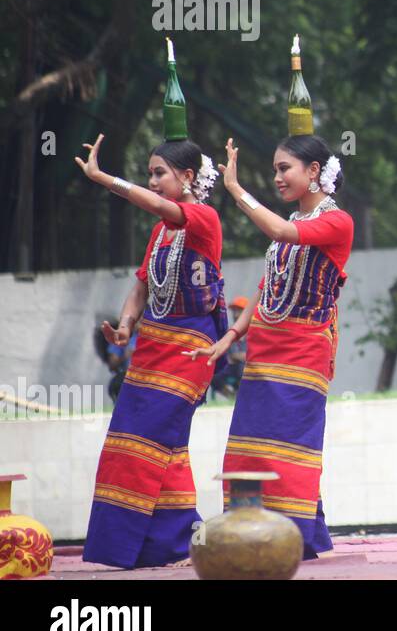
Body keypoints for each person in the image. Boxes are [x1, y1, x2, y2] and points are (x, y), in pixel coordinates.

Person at [189, 37, 354, 560]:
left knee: (290, 445)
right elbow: (268, 288)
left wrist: (235, 191)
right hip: (264, 351)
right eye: (276, 169)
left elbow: (284, 235)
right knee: (252, 445)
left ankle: (294, 537)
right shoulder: (296, 221)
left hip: (304, 352)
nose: (278, 176)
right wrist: (231, 337)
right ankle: (288, 532)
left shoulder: (335, 221)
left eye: (286, 169)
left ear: (314, 173)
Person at [77, 41, 227, 568]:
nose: (152, 180)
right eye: (148, 172)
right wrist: (124, 325)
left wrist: (105, 179)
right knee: (151, 445)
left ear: (187, 179)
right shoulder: (161, 235)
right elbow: (141, 286)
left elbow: (160, 206)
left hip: (188, 352)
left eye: (159, 172)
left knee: (146, 444)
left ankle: (156, 543)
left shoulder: (201, 218)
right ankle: (171, 543)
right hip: (150, 351)